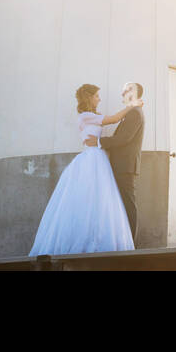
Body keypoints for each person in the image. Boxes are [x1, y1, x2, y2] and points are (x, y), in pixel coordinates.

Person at [28, 83, 142, 255]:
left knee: (100, 201)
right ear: (89, 98)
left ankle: (98, 238)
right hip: (93, 158)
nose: (100, 99)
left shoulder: (91, 115)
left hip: (100, 159)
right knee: (89, 199)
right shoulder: (85, 116)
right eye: (97, 96)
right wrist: (131, 106)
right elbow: (113, 119)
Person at [99, 81, 145, 244]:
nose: (123, 93)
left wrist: (100, 141)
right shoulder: (133, 112)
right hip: (124, 165)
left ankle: (130, 241)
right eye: (123, 90)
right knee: (125, 203)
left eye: (127, 90)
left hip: (125, 166)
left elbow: (124, 138)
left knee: (128, 204)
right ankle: (125, 240)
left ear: (135, 94)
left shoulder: (134, 113)